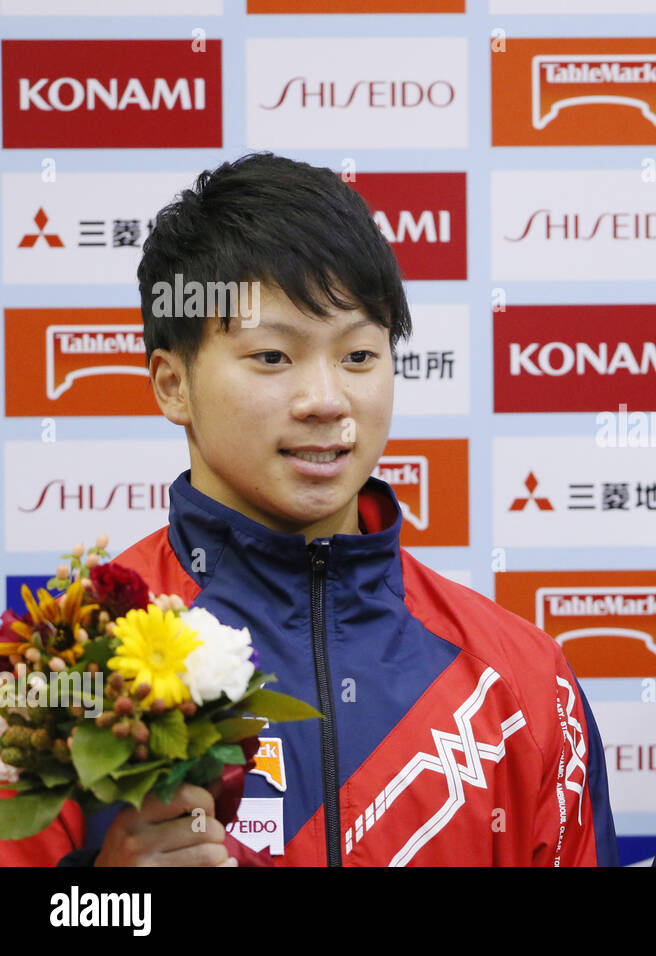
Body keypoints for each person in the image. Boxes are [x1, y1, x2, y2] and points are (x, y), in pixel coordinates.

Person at [1, 152, 617, 867]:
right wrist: (110, 901)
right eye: (272, 357)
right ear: (173, 386)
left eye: (358, 356)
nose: (326, 400)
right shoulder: (61, 668)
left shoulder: (519, 679)